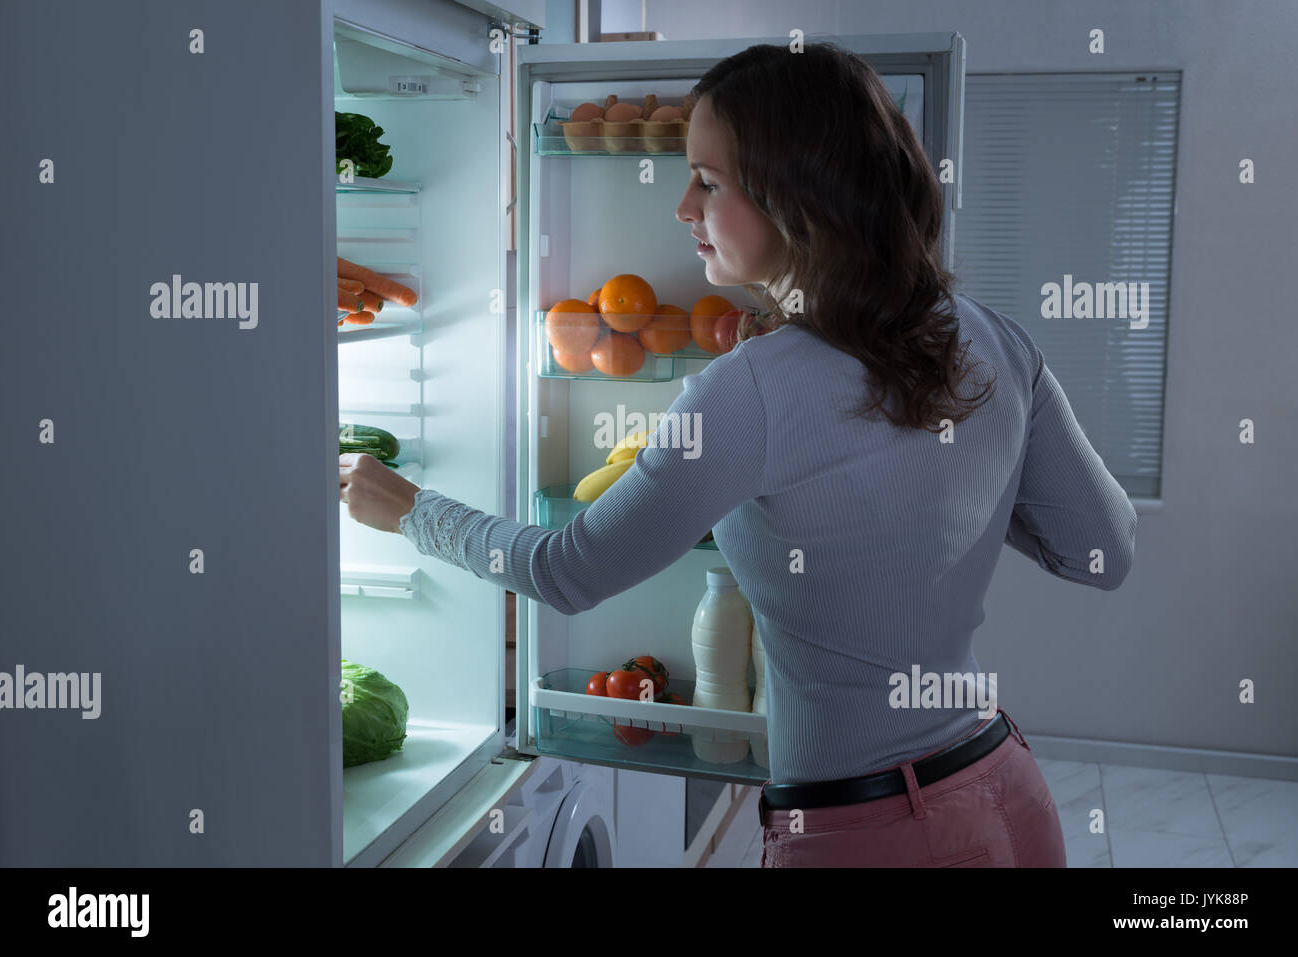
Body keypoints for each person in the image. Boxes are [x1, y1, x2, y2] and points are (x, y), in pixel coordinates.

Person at [339, 41, 1136, 867]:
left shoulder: (749, 389)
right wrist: (969, 480)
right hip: (1003, 788)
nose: (682, 206)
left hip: (862, 835)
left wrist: (411, 510)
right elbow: (1103, 552)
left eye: (709, 183)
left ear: (798, 199)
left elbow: (566, 571)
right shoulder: (996, 339)